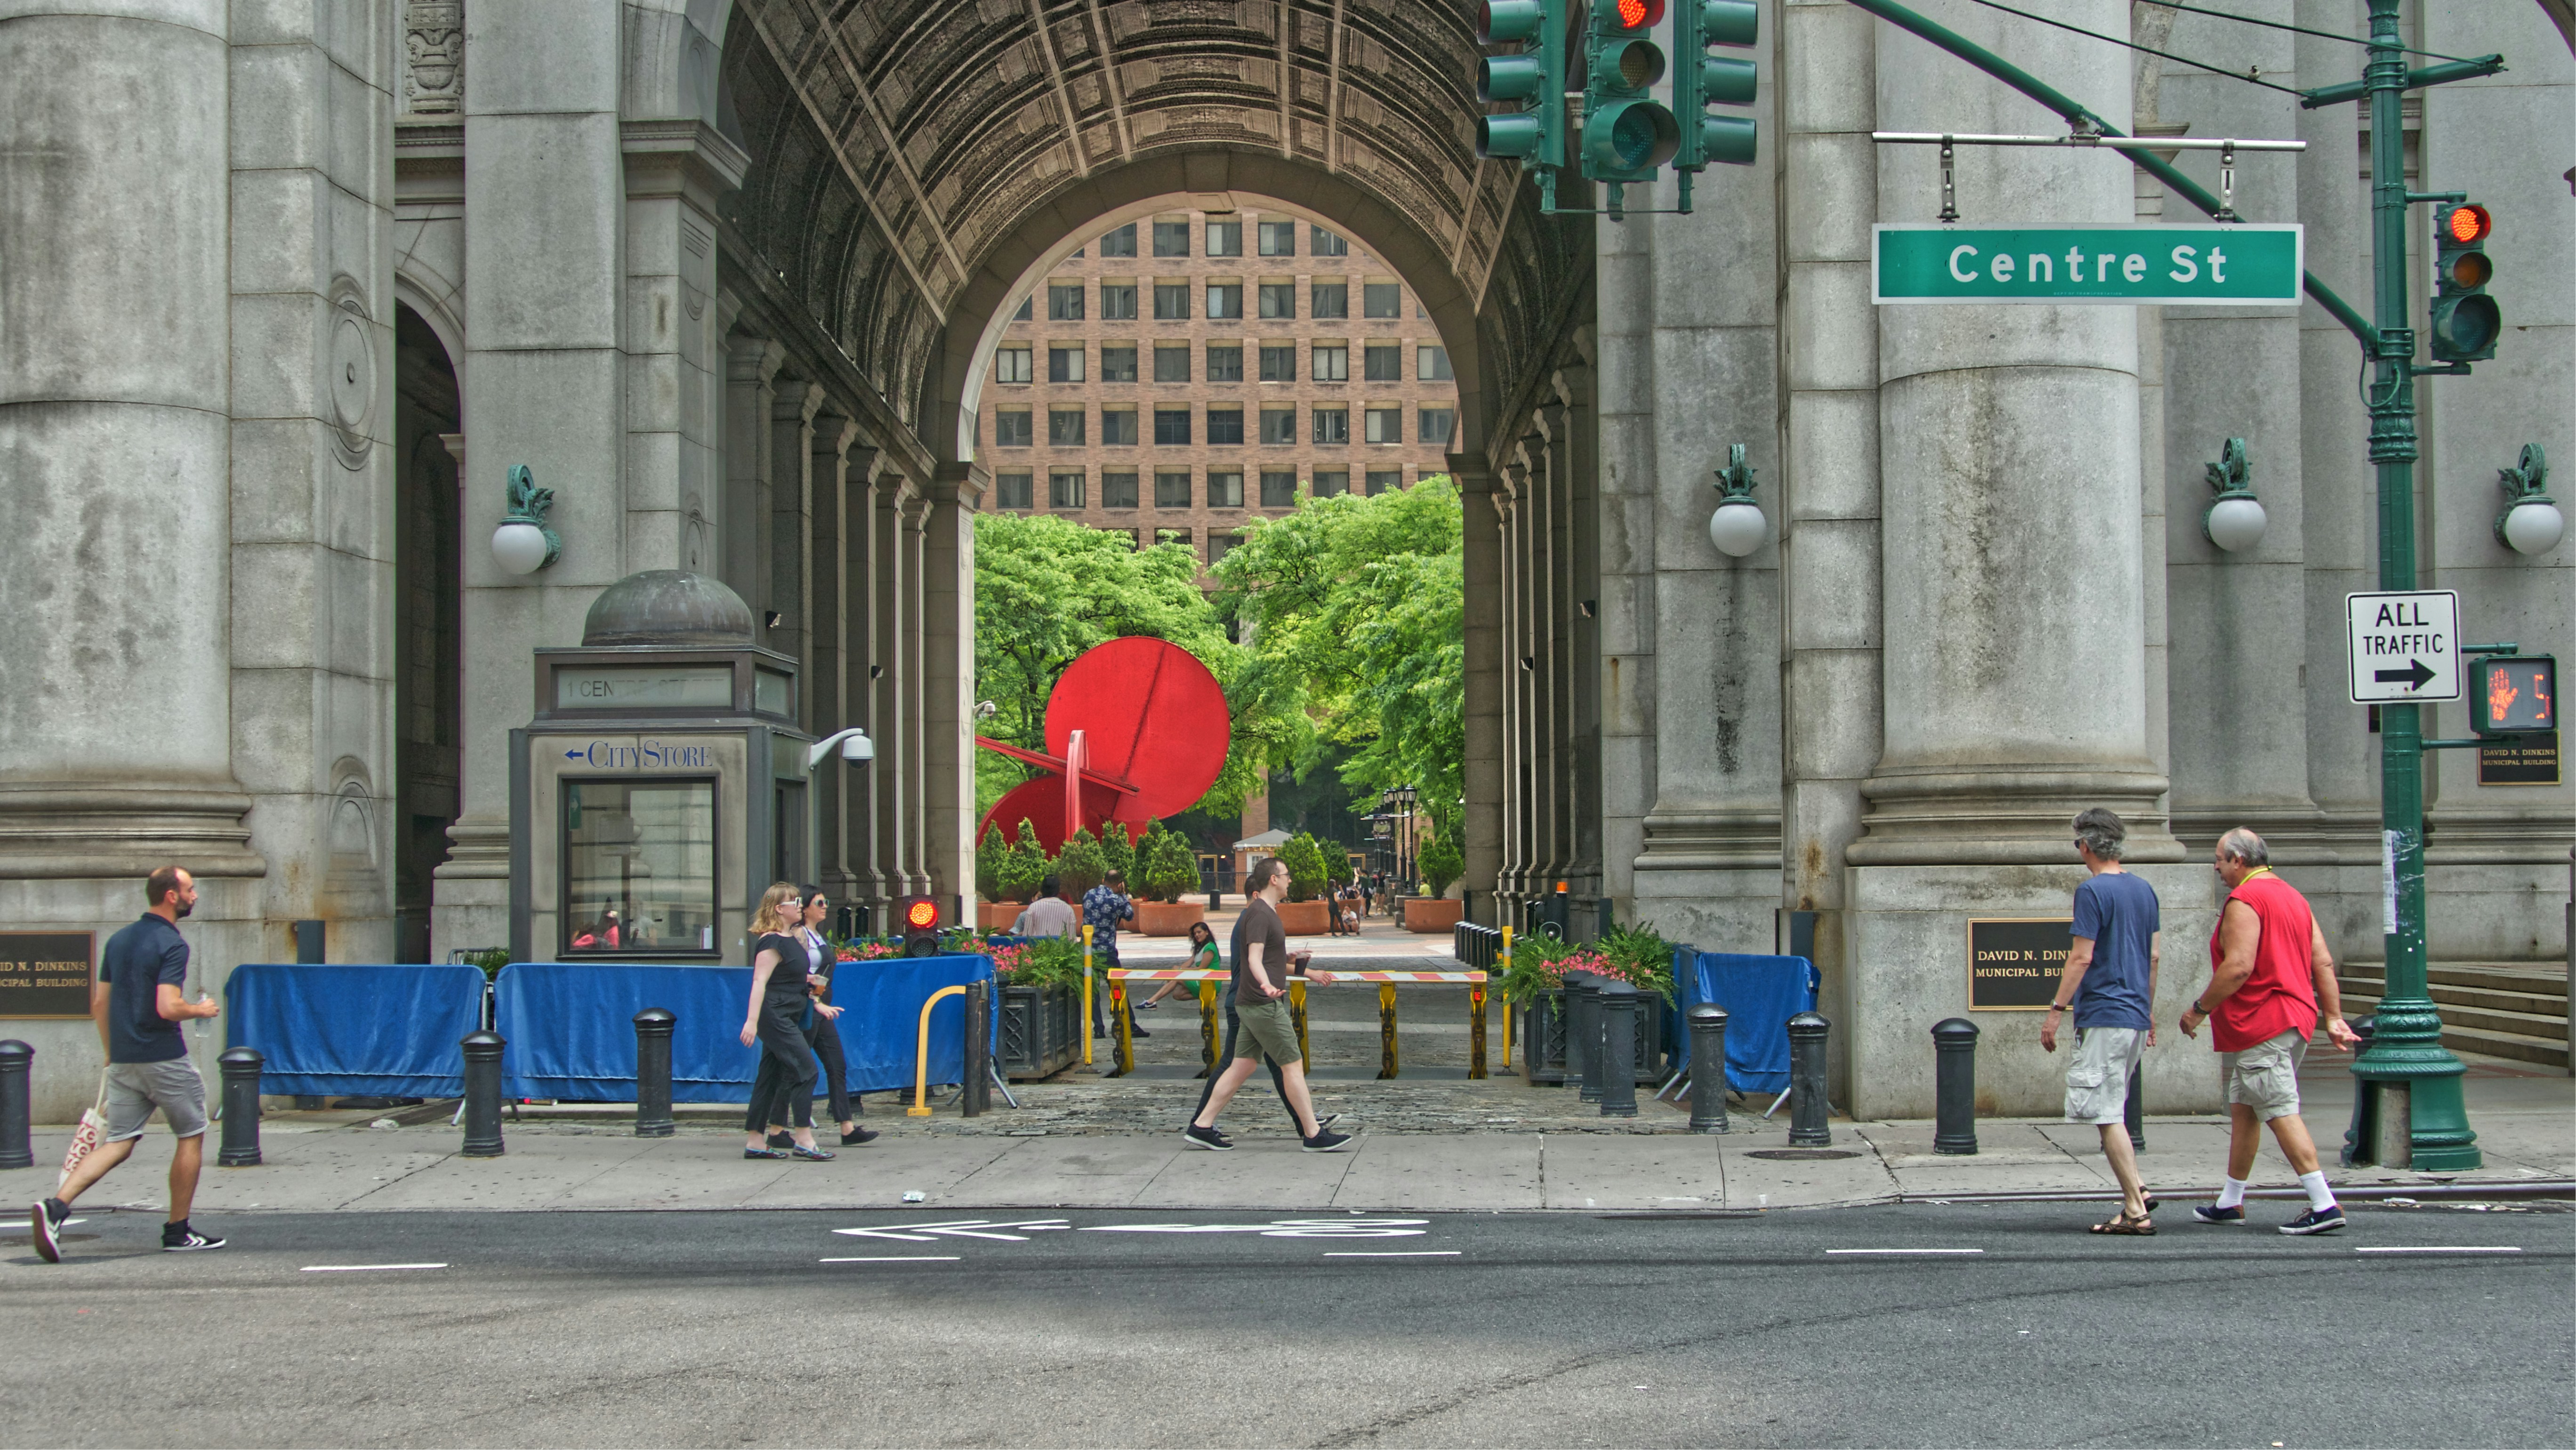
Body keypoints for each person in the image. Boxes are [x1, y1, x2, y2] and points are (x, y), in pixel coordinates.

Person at [32, 866, 225, 1261]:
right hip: (163, 1057)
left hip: (123, 1058)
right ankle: (177, 1231)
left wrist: (110, 1053)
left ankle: (57, 1207)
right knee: (191, 1133)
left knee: (119, 1142)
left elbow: (100, 1003)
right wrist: (200, 1008)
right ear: (171, 895)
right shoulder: (171, 943)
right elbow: (168, 1006)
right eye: (190, 889)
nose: (195, 896)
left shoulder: (119, 941)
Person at [2182, 828, 2360, 1234]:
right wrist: (2333, 1017)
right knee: (2246, 1108)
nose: (2217, 867)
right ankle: (2230, 1201)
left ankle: (2323, 1202)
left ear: (2239, 861)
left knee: (2278, 1107)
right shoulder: (2294, 897)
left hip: (2262, 1020)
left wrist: (2198, 1010)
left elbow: (2239, 966)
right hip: (2294, 1017)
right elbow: (2324, 963)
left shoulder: (2245, 899)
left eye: (2220, 860)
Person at [2041, 808, 2162, 1235]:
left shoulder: (2092, 892)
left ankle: (2134, 1208)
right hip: (2132, 1015)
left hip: (2105, 1013)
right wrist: (2147, 1011)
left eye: (2077, 843)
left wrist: (2056, 1010)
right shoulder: (2145, 890)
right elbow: (2153, 956)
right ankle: (2139, 1190)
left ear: (2087, 846)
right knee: (2112, 1106)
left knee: (2107, 1113)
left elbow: (2082, 956)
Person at [1184, 857, 1353, 1152]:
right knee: (1292, 1063)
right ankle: (1313, 1133)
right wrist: (1266, 985)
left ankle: (1202, 1125)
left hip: (1252, 1002)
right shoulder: (1262, 914)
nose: (1290, 880)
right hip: (1262, 1002)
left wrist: (1290, 964)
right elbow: (1253, 959)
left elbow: (1261, 956)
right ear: (1273, 880)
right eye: (1286, 875)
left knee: (1243, 1065)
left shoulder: (1261, 913)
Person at [760, 886, 877, 1150]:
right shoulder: (799, 934)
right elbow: (795, 971)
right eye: (820, 902)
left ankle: (846, 1126)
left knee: (836, 1064)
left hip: (821, 1006)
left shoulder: (817, 935)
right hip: (809, 1007)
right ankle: (778, 1128)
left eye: (826, 902)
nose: (825, 906)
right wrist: (813, 999)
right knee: (796, 1069)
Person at [740, 883, 836, 1161]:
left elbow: (796, 978)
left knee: (769, 1077)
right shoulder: (771, 941)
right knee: (806, 1071)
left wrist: (817, 1003)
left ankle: (755, 1141)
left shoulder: (791, 939)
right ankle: (804, 1138)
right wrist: (751, 1021)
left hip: (790, 1011)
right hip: (776, 1014)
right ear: (780, 909)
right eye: (794, 902)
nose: (799, 906)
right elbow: (759, 981)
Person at [1083, 869, 1144, 1040]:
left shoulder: (1089, 895)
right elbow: (1130, 915)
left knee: (1092, 991)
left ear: (1103, 879)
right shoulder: (1116, 900)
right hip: (1107, 951)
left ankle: (1098, 1029)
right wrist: (1123, 894)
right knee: (1118, 987)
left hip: (1088, 951)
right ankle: (1128, 1023)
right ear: (1119, 884)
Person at [1142, 919, 1219, 1010]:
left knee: (1176, 979)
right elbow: (1190, 962)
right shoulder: (1200, 947)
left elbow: (1201, 968)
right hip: (1201, 979)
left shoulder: (1210, 948)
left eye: (1199, 932)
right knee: (1177, 995)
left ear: (1207, 932)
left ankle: (1151, 1002)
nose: (1197, 935)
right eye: (1195, 934)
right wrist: (1178, 969)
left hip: (1210, 981)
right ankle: (1211, 997)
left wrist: (1179, 971)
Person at [1012, 875, 1078, 938]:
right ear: (1059, 890)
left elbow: (1027, 936)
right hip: (1060, 950)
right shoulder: (1068, 909)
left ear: (1042, 889)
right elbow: (1072, 938)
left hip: (1037, 949)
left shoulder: (1033, 907)